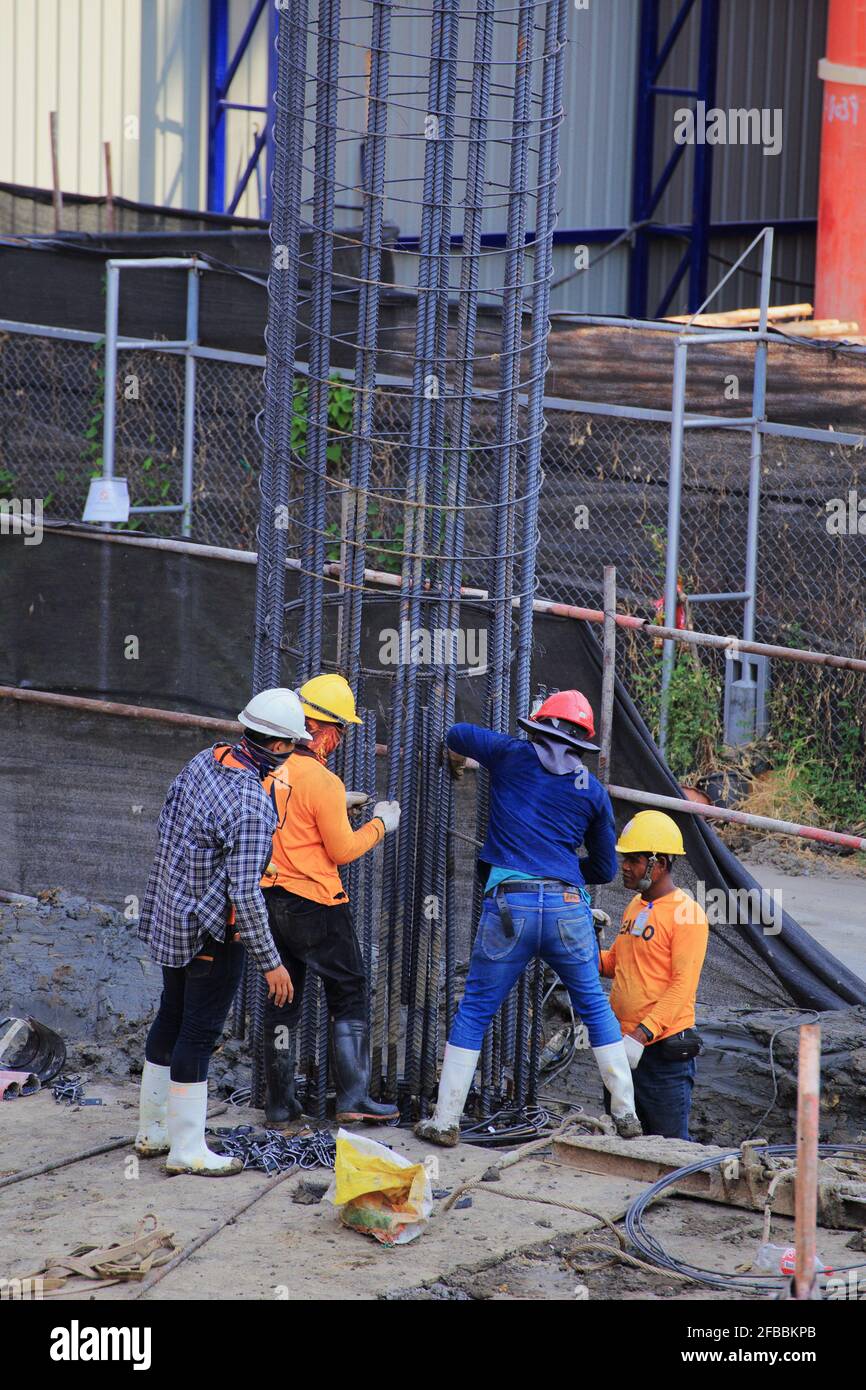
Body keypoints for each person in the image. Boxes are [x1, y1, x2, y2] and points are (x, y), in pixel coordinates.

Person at [415, 690, 642, 1147]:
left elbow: (456, 733)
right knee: (596, 1008)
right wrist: (557, 867)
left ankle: (444, 1122)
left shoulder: (511, 754)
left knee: (476, 1008)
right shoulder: (592, 791)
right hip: (566, 908)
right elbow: (604, 869)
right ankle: (626, 1114)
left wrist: (461, 756)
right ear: (582, 741)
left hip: (510, 905)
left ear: (538, 726)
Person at [135, 688, 309, 1176]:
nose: (293, 752)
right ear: (278, 747)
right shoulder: (253, 806)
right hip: (213, 934)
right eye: (293, 745)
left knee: (170, 1017)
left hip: (173, 916)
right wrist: (271, 962)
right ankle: (187, 1149)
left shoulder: (204, 761)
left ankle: (153, 1130)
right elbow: (247, 895)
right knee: (199, 1031)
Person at [259, 673, 401, 1126]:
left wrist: (341, 806)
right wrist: (380, 824)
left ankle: (279, 1104)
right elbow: (342, 851)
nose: (339, 741)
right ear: (319, 729)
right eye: (339, 731)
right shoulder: (323, 780)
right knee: (349, 990)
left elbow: (294, 822)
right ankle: (353, 1100)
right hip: (317, 903)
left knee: (284, 998)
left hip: (269, 899)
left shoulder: (269, 768)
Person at [600, 810, 709, 1140]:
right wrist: (581, 941)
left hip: (661, 1055)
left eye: (633, 860)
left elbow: (682, 987)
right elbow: (612, 965)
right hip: (623, 1045)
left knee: (668, 1145)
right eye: (625, 859)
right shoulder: (635, 906)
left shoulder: (686, 914)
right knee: (623, 1141)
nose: (625, 867)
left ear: (658, 864)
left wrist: (642, 1034)